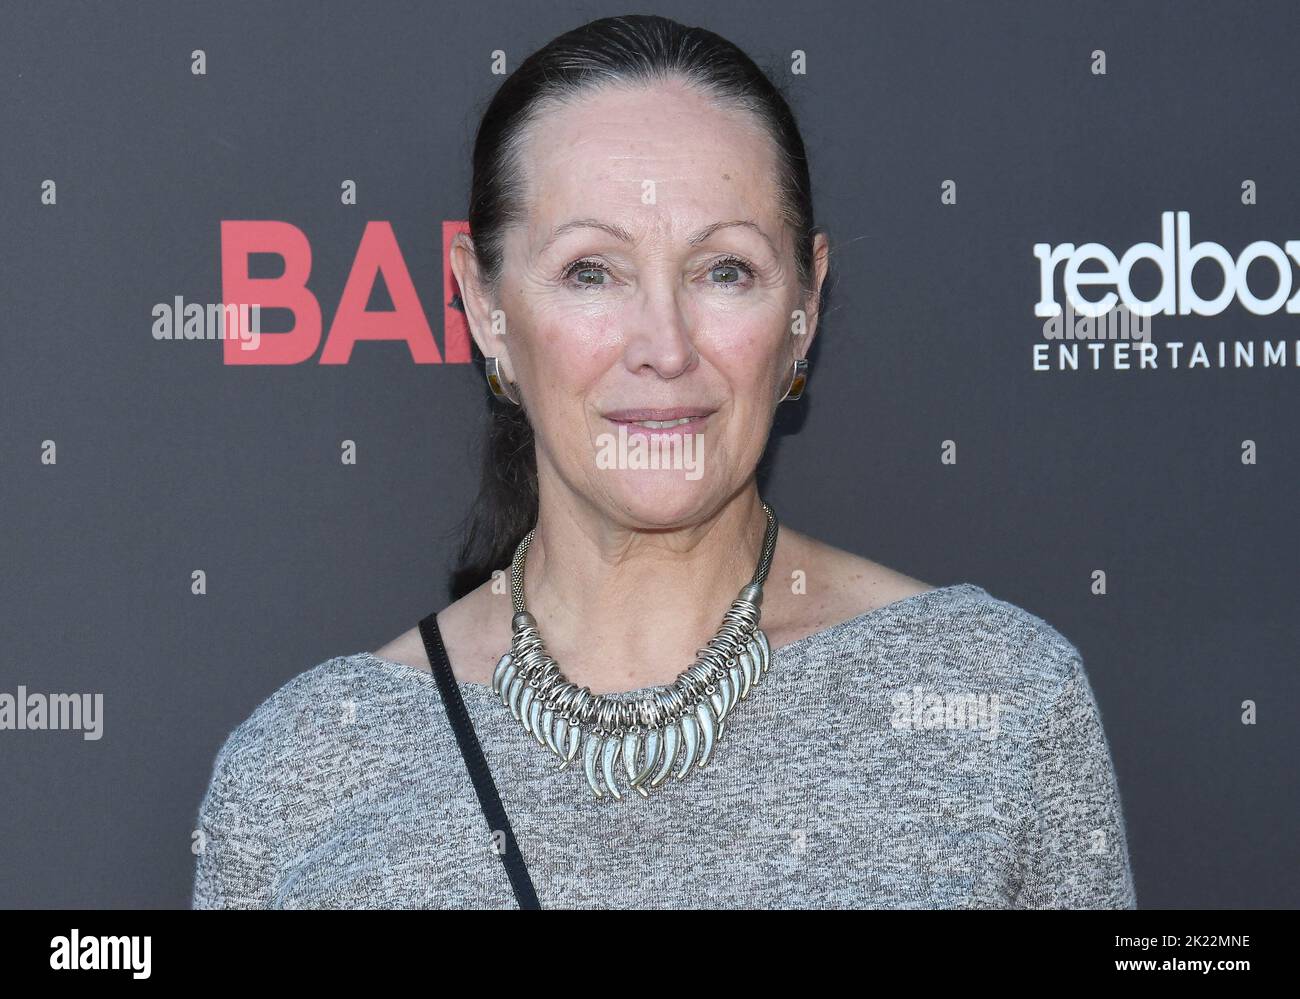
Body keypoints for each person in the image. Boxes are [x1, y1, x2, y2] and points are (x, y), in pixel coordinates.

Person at [191, 13, 1136, 909]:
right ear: (485, 310)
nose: (665, 346)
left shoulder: (999, 697)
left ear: (803, 309)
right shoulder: (306, 770)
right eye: (590, 272)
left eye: (724, 270)